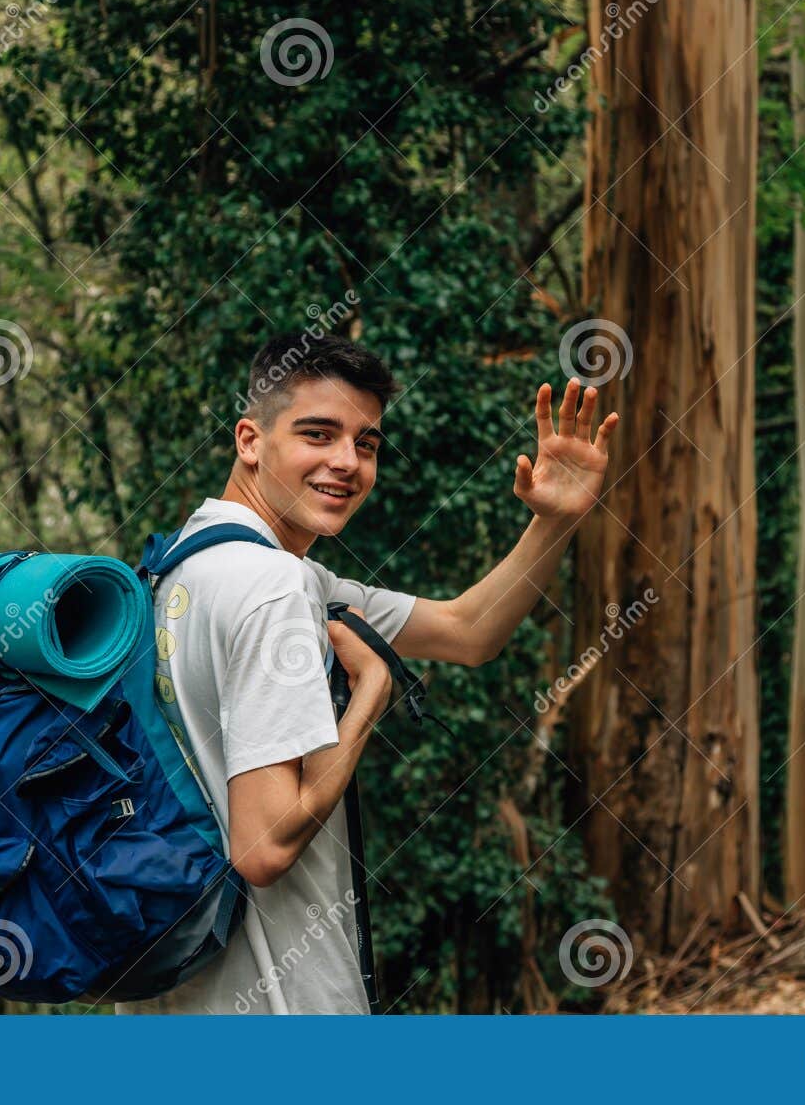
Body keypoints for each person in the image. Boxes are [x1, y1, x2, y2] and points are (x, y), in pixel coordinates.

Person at [114, 333, 618, 1014]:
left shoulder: (175, 566)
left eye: (367, 442)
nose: (346, 462)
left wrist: (552, 523)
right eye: (317, 433)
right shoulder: (275, 584)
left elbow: (468, 631)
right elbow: (262, 846)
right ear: (250, 440)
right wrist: (370, 697)